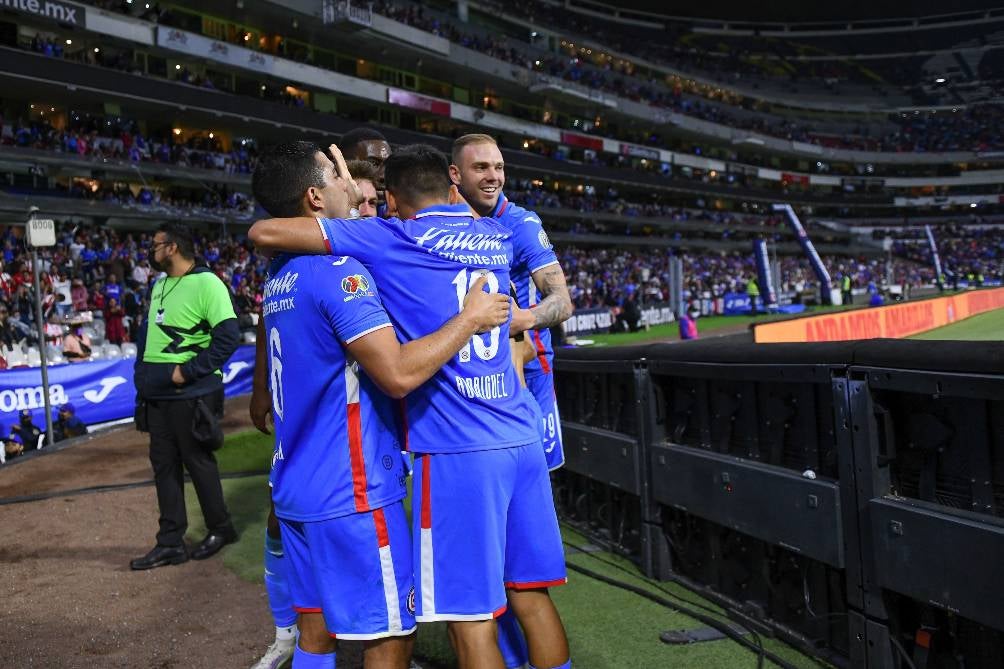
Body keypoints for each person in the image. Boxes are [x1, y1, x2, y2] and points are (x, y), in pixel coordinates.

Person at [250, 144, 571, 669]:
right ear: (450, 187)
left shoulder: (349, 254)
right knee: (524, 598)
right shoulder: (496, 235)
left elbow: (263, 233)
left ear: (394, 199)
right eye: (340, 179)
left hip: (431, 457)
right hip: (510, 436)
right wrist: (483, 321)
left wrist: (353, 209)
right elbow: (515, 343)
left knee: (460, 620)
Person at [450, 133, 573, 475]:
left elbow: (562, 302)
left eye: (499, 167)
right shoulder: (445, 223)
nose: (493, 176)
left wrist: (523, 320)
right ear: (455, 174)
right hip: (473, 371)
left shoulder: (522, 224)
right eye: (481, 167)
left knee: (536, 478)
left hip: (529, 372)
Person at [130, 222, 240, 571]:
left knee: (198, 463)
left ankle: (221, 529)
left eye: (155, 244)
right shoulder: (160, 284)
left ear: (172, 247)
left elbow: (228, 338)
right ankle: (170, 543)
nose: (151, 250)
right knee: (164, 467)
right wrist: (143, 378)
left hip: (192, 393)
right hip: (158, 394)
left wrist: (186, 371)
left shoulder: (208, 283)